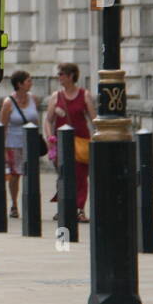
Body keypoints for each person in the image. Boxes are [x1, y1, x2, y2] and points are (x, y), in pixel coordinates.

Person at [43, 61, 96, 223]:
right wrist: (49, 138)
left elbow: (94, 119)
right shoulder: (56, 97)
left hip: (81, 142)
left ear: (71, 75)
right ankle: (64, 208)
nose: (59, 77)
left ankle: (79, 209)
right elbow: (48, 120)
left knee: (81, 177)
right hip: (61, 143)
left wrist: (95, 138)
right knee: (63, 176)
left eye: (61, 74)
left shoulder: (84, 95)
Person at [0, 70, 40, 219]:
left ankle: (31, 203)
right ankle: (14, 204)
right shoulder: (8, 103)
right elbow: (2, 126)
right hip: (13, 144)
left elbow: (36, 121)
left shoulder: (34, 99)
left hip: (30, 144)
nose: (31, 83)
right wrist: (1, 149)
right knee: (15, 176)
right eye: (28, 80)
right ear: (19, 84)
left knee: (31, 174)